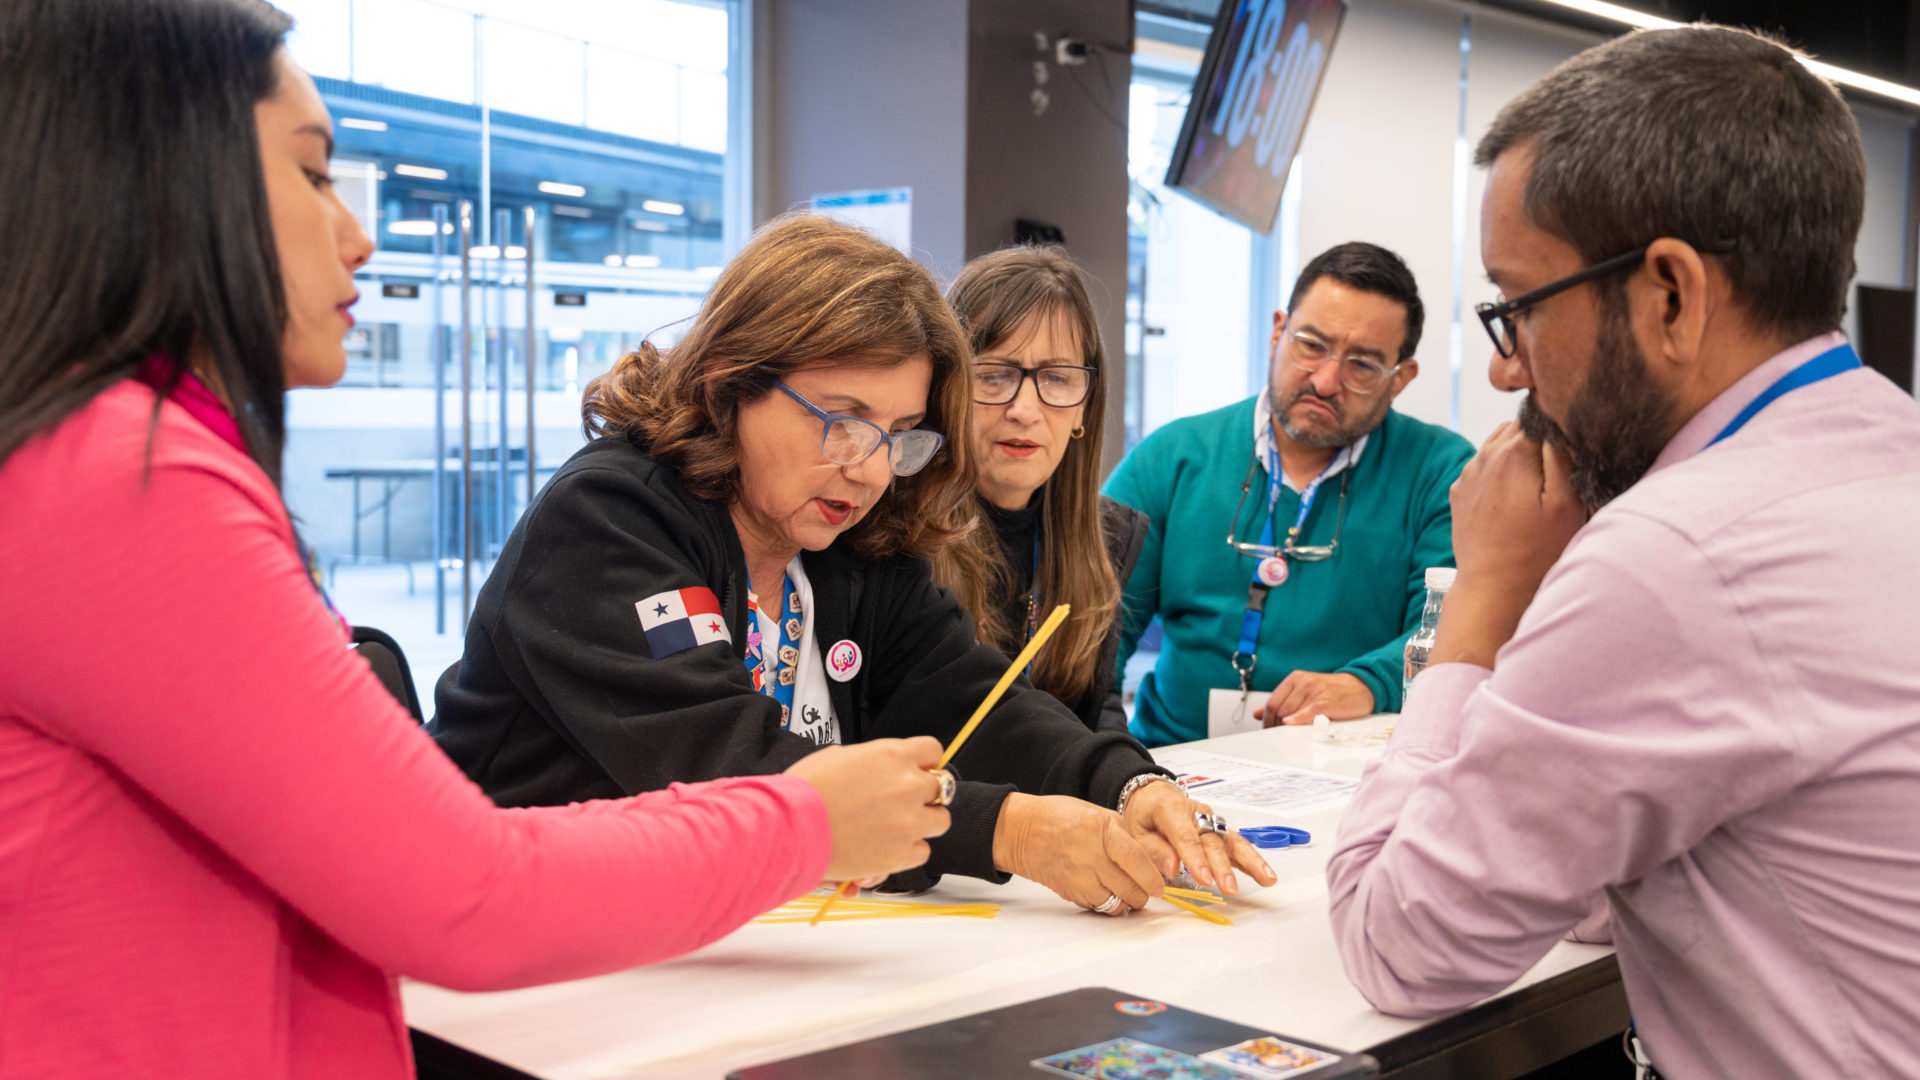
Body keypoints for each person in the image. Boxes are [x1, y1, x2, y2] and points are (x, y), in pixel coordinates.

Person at [0, 3, 953, 1076]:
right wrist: (802, 821)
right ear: (160, 186)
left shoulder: (105, 461)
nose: (358, 233)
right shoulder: (126, 480)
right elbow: (464, 889)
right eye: (313, 175)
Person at [1326, 26, 1920, 1080]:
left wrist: (1487, 596)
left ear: (1670, 296)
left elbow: (1399, 941)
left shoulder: (1676, 555)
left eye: (1518, 309)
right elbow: (1612, 876)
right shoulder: (1887, 448)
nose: (1508, 375)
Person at [429, 215, 1275, 909]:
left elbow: (975, 697)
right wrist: (1010, 829)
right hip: (516, 958)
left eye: (899, 435)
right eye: (841, 421)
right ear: (729, 379)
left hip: (732, 945)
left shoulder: (844, 544)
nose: (870, 470)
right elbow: (738, 773)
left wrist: (1130, 786)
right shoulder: (608, 520)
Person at [1104, 243, 1472, 746]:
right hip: (1172, 758)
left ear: (1400, 380)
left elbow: (1461, 626)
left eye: (1362, 366)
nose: (1325, 381)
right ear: (1278, 332)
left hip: (1346, 767)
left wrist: (1369, 683)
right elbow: (1091, 625)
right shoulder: (1172, 458)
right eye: (1311, 345)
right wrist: (1109, 761)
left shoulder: (1442, 473)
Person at [933, 246, 1147, 734]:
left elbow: (1098, 709)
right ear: (948, 388)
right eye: (994, 375)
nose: (1025, 410)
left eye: (1056, 378)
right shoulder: (900, 539)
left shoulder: (1109, 536)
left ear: (1083, 406)